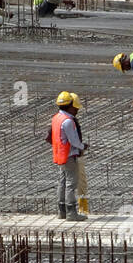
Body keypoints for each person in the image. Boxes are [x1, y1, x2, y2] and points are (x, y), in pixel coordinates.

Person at [48, 91, 86, 221]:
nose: (76, 111)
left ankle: (61, 211)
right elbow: (74, 141)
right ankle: (71, 213)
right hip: (69, 156)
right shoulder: (68, 121)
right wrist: (82, 146)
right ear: (70, 105)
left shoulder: (56, 118)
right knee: (71, 184)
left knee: (62, 183)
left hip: (59, 155)